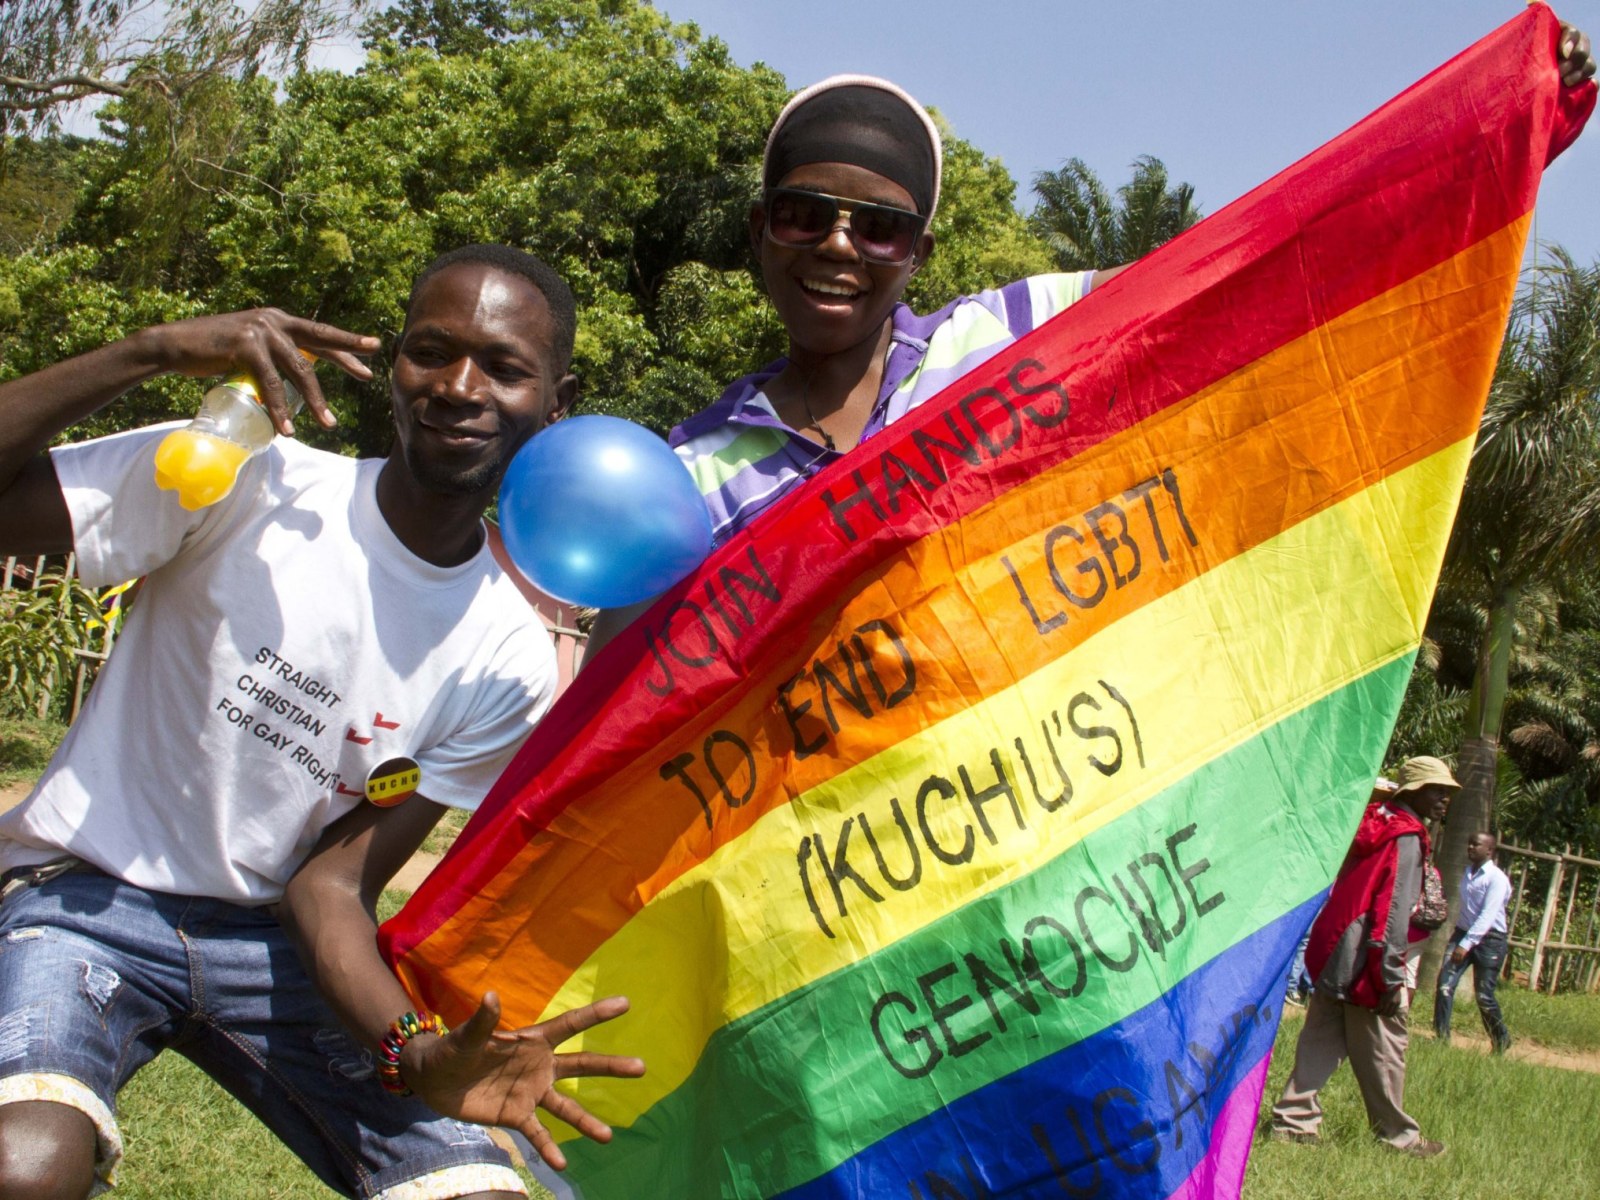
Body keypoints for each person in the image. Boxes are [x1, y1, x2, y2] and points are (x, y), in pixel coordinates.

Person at [588, 26, 1595, 649]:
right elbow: (615, 722)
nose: (839, 247)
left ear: (918, 252)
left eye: (880, 228)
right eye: (805, 216)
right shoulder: (692, 471)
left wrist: (1485, 139)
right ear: (760, 230)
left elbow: (1240, 273)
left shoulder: (997, 340)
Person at [0, 245, 644, 1199]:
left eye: (503, 366)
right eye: (432, 351)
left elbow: (330, 888)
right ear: (395, 365)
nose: (459, 387)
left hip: (273, 950)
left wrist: (418, 1052)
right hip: (89, 900)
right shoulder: (244, 476)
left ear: (557, 402)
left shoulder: (507, 656)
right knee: (22, 1164)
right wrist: (152, 349)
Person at [1268, 757, 1459, 1157]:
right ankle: (1398, 1137)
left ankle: (1293, 1121)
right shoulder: (1407, 836)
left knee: (1322, 1037)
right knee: (1386, 1044)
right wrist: (1388, 978)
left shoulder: (1374, 821)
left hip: (1334, 944)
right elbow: (1392, 912)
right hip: (1364, 958)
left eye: (1447, 792)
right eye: (1437, 790)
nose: (1445, 798)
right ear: (1413, 792)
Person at [1434, 831, 1513, 1053]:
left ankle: (1501, 1039)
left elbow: (1488, 915)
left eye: (1476, 845)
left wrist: (1465, 944)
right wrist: (1462, 938)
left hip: (1490, 940)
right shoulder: (1468, 872)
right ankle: (1441, 1037)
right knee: (1445, 985)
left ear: (1489, 850)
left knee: (1484, 995)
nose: (1470, 847)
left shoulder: (1497, 878)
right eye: (1469, 844)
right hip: (1463, 933)